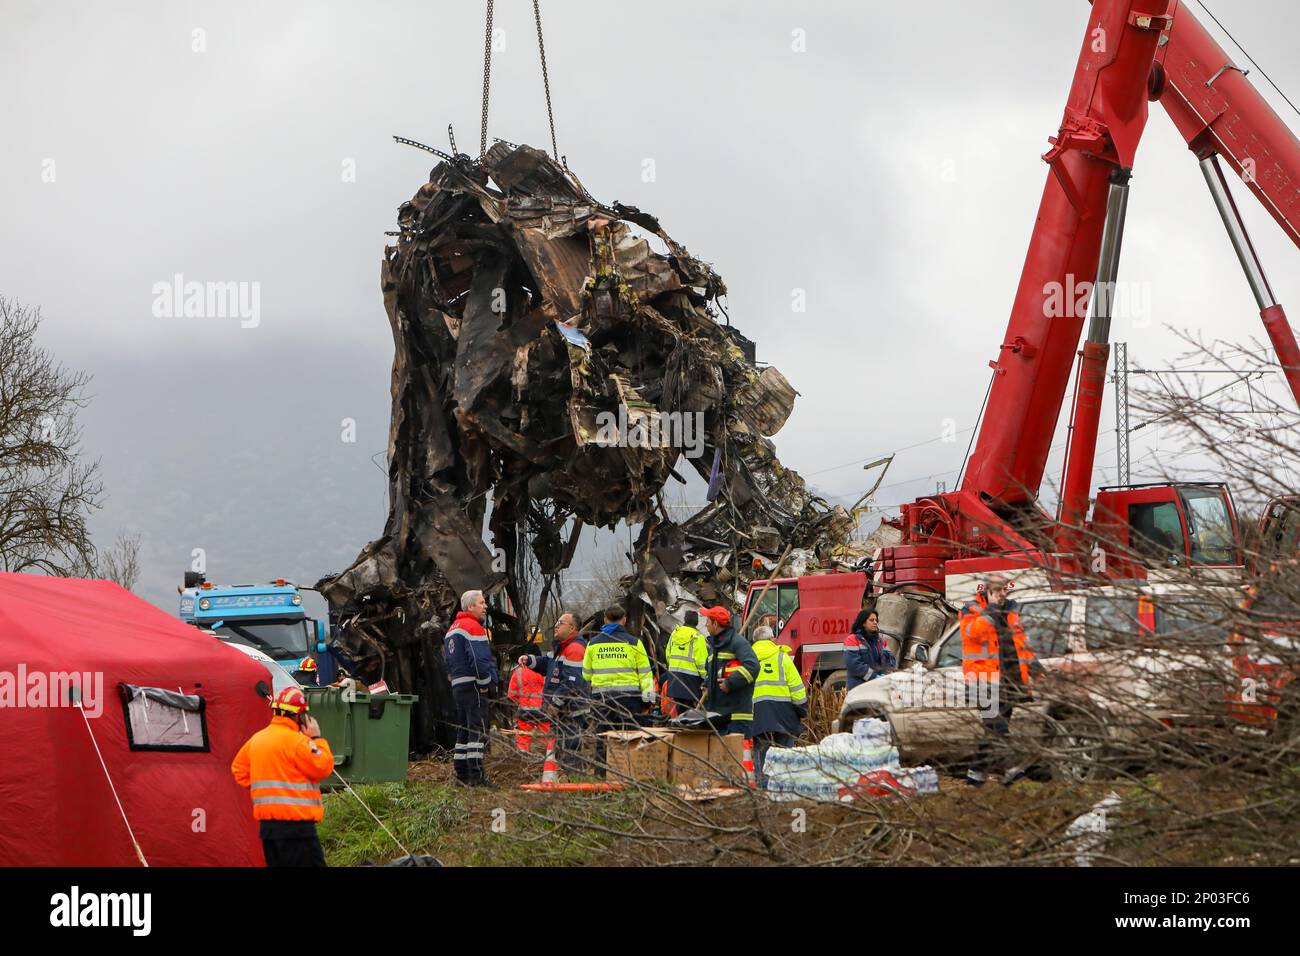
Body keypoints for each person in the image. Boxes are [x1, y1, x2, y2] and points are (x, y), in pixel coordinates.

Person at [231, 686, 334, 867]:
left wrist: (265, 788)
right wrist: (317, 738)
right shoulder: (298, 743)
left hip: (268, 829)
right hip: (297, 828)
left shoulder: (257, 740)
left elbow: (239, 770)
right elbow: (323, 767)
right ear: (299, 716)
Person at [962, 575, 1042, 786]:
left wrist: (1035, 666)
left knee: (993, 730)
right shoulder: (971, 610)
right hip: (983, 682)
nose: (1002, 594)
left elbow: (1021, 642)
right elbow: (972, 634)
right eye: (997, 591)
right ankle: (1013, 775)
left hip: (1010, 681)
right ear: (987, 592)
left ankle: (974, 777)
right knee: (999, 728)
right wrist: (990, 611)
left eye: (1004, 590)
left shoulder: (1011, 612)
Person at [582, 605, 655, 767]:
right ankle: (628, 774)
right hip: (629, 700)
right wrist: (649, 701)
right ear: (624, 620)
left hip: (601, 700)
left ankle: (602, 776)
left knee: (603, 739)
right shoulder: (634, 643)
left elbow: (586, 674)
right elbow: (646, 675)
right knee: (629, 740)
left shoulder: (593, 644)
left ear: (605, 620)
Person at [518, 611, 589, 774]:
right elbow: (547, 663)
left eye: (561, 623)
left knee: (570, 747)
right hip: (561, 710)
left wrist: (555, 703)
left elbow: (572, 682)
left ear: (572, 628)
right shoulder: (561, 648)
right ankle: (568, 781)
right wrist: (530, 660)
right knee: (562, 748)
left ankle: (575, 782)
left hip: (570, 710)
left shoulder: (575, 649)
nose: (556, 625)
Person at [444, 589, 498, 787]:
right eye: (482, 603)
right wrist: (485, 683)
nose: (485, 607)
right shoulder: (472, 627)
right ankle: (476, 776)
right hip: (474, 685)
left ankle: (462, 774)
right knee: (477, 729)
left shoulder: (452, 629)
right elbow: (479, 659)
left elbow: (447, 662)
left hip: (459, 686)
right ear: (470, 606)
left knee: (464, 730)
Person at [749, 626, 808, 787]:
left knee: (760, 750)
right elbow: (796, 688)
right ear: (771, 640)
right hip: (784, 713)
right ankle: (786, 784)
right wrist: (802, 709)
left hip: (758, 714)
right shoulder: (782, 657)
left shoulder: (748, 659)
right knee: (785, 750)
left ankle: (762, 786)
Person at [700, 606, 759, 737]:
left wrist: (730, 683)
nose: (706, 625)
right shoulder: (714, 647)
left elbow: (753, 667)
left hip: (737, 719)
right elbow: (712, 673)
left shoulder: (738, 643)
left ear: (715, 624)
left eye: (708, 621)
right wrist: (706, 685)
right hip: (718, 717)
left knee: (741, 757)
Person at [663, 610, 709, 716]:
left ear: (685, 620)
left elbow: (668, 655)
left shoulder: (675, 633)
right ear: (697, 622)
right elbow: (701, 662)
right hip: (691, 679)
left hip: (674, 676)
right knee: (690, 710)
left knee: (680, 708)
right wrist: (705, 678)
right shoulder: (698, 637)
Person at [844, 608, 895, 689]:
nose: (875, 622)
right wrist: (874, 677)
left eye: (876, 620)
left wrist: (886, 675)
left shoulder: (880, 640)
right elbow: (854, 666)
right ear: (863, 622)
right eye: (871, 620)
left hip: (879, 686)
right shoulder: (852, 640)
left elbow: (891, 659)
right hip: (859, 688)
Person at [506, 658, 549, 753]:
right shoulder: (545, 670)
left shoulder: (518, 672)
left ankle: (523, 756)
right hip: (543, 709)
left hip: (524, 710)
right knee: (547, 735)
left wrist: (521, 702)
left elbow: (511, 694)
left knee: (523, 735)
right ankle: (549, 754)